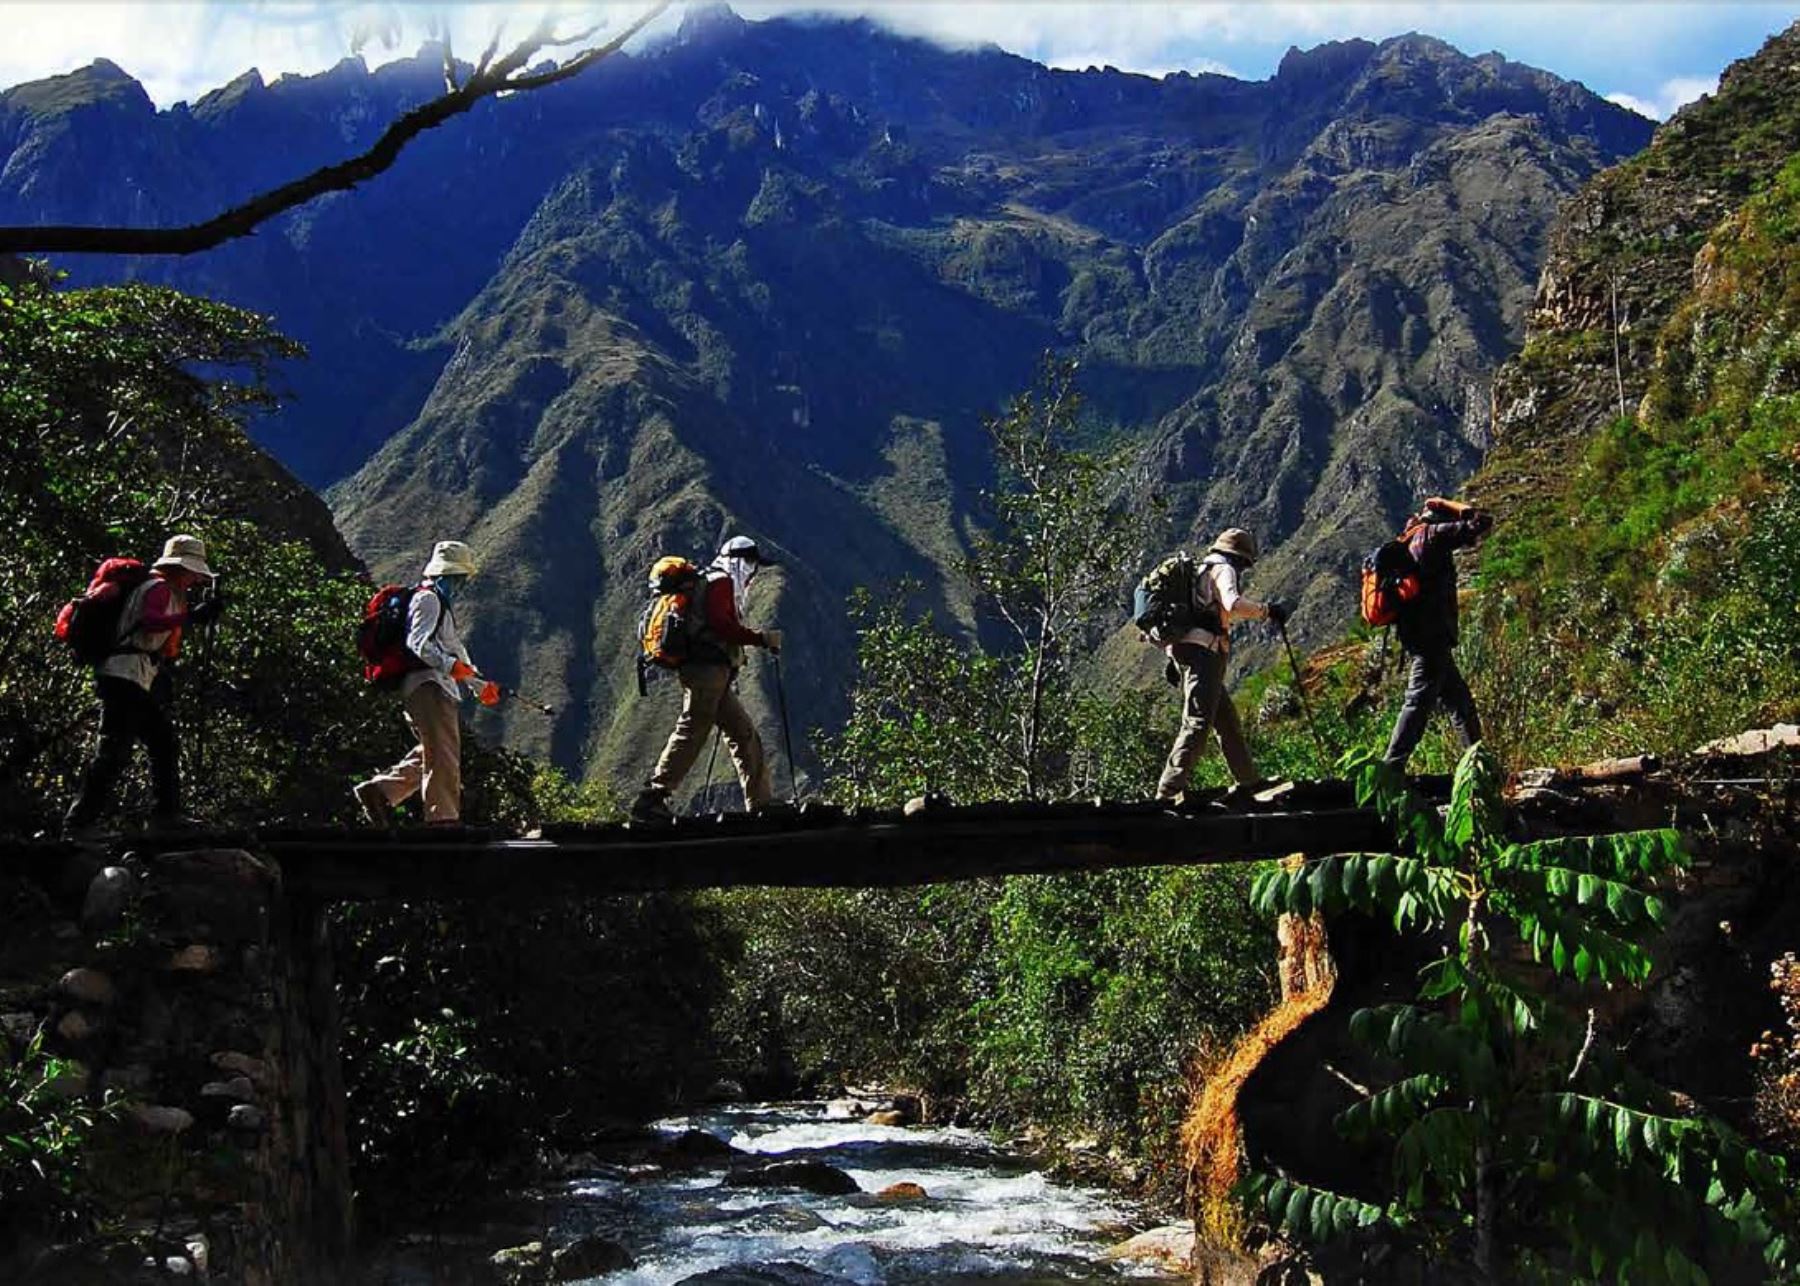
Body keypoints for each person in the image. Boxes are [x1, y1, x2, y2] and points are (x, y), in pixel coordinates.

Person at [63, 534, 223, 838]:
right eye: (192, 572)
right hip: (125, 675)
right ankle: (79, 824)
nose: (194, 580)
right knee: (117, 750)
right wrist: (192, 617)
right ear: (182, 568)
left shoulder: (165, 588)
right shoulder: (160, 588)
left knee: (158, 743)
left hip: (132, 675)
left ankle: (164, 814)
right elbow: (151, 622)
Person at [632, 535, 782, 821]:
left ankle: (762, 803)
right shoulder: (721, 582)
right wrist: (760, 639)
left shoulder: (708, 580)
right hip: (705, 671)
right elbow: (722, 625)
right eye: (751, 563)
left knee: (743, 733)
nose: (753, 571)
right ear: (742, 561)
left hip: (710, 672)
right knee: (693, 729)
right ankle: (652, 798)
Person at [353, 541, 500, 827]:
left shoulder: (436, 602)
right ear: (447, 575)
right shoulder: (429, 600)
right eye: (458, 577)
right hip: (429, 687)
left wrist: (477, 685)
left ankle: (381, 790)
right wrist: (451, 667)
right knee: (444, 756)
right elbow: (418, 644)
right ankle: (442, 821)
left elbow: (452, 648)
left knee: (434, 749)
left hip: (429, 686)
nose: (461, 584)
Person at [1153, 528, 1291, 804]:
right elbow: (1232, 603)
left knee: (1226, 721)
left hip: (1188, 651)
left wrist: (1171, 656)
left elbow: (1185, 618)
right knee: (1197, 722)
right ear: (1239, 557)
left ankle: (1249, 781)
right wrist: (1267, 611)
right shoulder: (1223, 569)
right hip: (1206, 654)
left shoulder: (1198, 570)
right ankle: (1167, 792)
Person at [1382, 497, 1494, 771]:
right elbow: (1481, 521)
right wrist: (1449, 504)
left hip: (1419, 636)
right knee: (1418, 703)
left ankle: (1477, 764)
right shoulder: (1434, 534)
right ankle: (1391, 768)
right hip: (1432, 636)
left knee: (1460, 704)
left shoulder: (1410, 540)